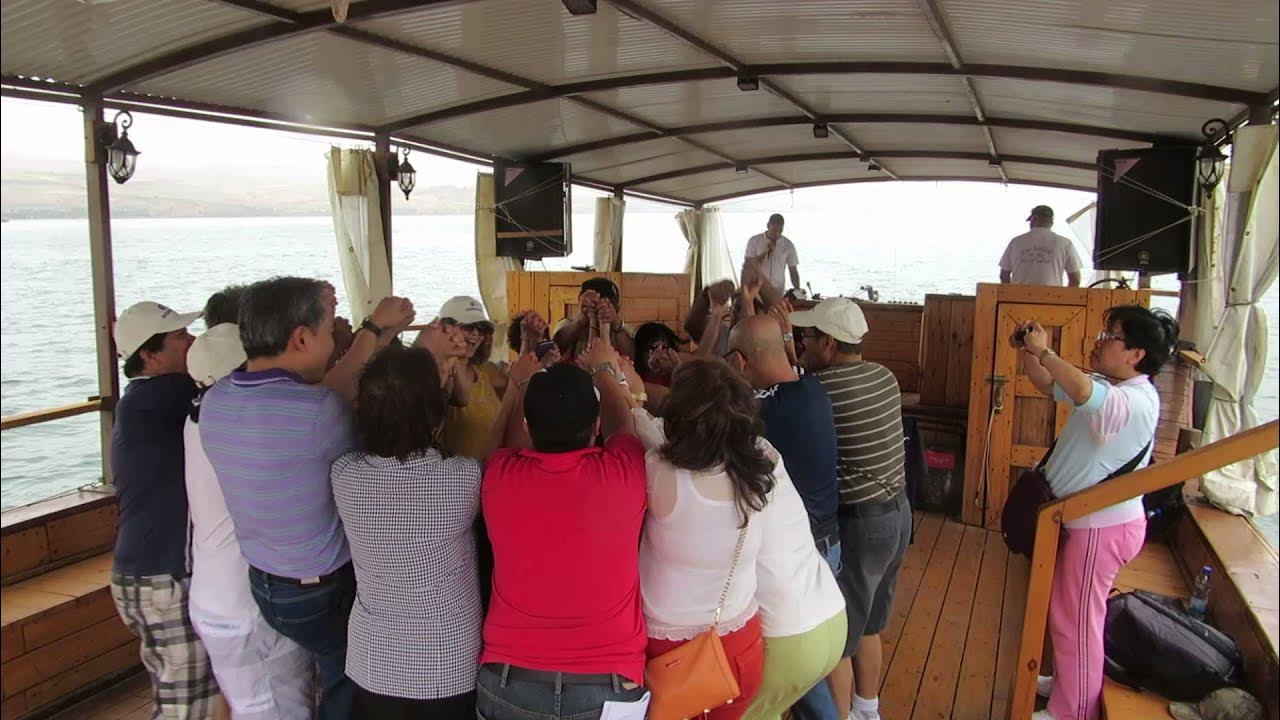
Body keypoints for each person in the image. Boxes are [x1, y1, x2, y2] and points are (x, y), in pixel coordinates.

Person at [199, 277, 414, 720]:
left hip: (265, 584)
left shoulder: (217, 400)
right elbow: (378, 456)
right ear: (300, 338)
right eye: (325, 330)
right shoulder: (318, 413)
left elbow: (321, 392)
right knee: (349, 683)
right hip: (320, 592)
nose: (333, 338)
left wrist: (374, 333)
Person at [1016, 305, 1179, 720]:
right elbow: (1048, 384)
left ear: (1135, 354)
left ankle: (1071, 711)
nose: (1100, 340)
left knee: (1078, 623)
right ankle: (1068, 684)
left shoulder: (1135, 400)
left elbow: (1082, 390)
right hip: (1087, 525)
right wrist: (1028, 351)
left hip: (1100, 528)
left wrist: (1047, 351)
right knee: (1069, 614)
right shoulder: (1112, 388)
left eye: (1111, 336)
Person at [476, 337, 650, 720]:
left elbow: (509, 443)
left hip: (510, 680)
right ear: (597, 426)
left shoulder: (500, 477)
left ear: (526, 424)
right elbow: (625, 422)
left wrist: (520, 386)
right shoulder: (624, 473)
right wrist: (605, 369)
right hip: (609, 683)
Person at [330, 344, 485, 719]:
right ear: (437, 416)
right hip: (446, 665)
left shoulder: (344, 475)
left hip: (372, 663)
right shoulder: (462, 478)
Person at [185, 315, 313, 720]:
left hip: (212, 595)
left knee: (251, 707)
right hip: (247, 606)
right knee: (279, 710)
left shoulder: (199, 419)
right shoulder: (249, 427)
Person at [632, 359, 772, 720]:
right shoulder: (760, 469)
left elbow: (640, 430)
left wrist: (627, 392)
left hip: (669, 651)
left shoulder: (661, 475)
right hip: (738, 643)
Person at [792, 298, 911, 720]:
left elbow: (794, 391)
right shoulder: (885, 377)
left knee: (839, 635)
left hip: (863, 526)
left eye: (805, 337)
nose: (799, 344)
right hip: (898, 516)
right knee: (871, 624)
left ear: (827, 343)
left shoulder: (824, 391)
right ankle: (868, 709)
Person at [726, 315, 846, 720]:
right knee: (807, 681)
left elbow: (713, 414)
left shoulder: (768, 414)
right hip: (823, 548)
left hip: (800, 553)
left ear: (740, 362)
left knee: (793, 680)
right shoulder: (811, 389)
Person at [108, 299, 221, 719]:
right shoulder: (164, 395)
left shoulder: (143, 401)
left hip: (146, 571)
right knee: (188, 704)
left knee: (184, 692)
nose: (192, 341)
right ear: (150, 356)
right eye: (179, 337)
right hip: (163, 577)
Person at [438, 296, 508, 459]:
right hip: (461, 478)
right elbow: (460, 397)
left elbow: (513, 387)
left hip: (491, 472)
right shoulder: (440, 375)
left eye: (481, 328)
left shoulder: (486, 371)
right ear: (446, 329)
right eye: (469, 327)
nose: (476, 334)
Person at [999, 205, 1084, 287]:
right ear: (1051, 222)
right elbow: (1075, 279)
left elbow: (1004, 275)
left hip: (1017, 298)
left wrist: (1010, 295)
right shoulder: (1065, 243)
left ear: (1034, 219)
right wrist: (1065, 299)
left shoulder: (1015, 242)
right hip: (1052, 299)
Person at [556, 277, 636, 358]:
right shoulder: (566, 324)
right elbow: (556, 346)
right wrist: (580, 321)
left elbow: (633, 357)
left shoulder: (623, 329)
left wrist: (615, 324)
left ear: (617, 309)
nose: (597, 313)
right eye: (591, 306)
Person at [743, 213, 800, 294]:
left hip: (778, 292)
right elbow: (749, 266)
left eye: (780, 231)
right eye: (774, 230)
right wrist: (765, 252)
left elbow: (793, 270)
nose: (777, 233)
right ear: (768, 226)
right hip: (757, 290)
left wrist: (797, 290)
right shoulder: (754, 241)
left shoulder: (788, 245)